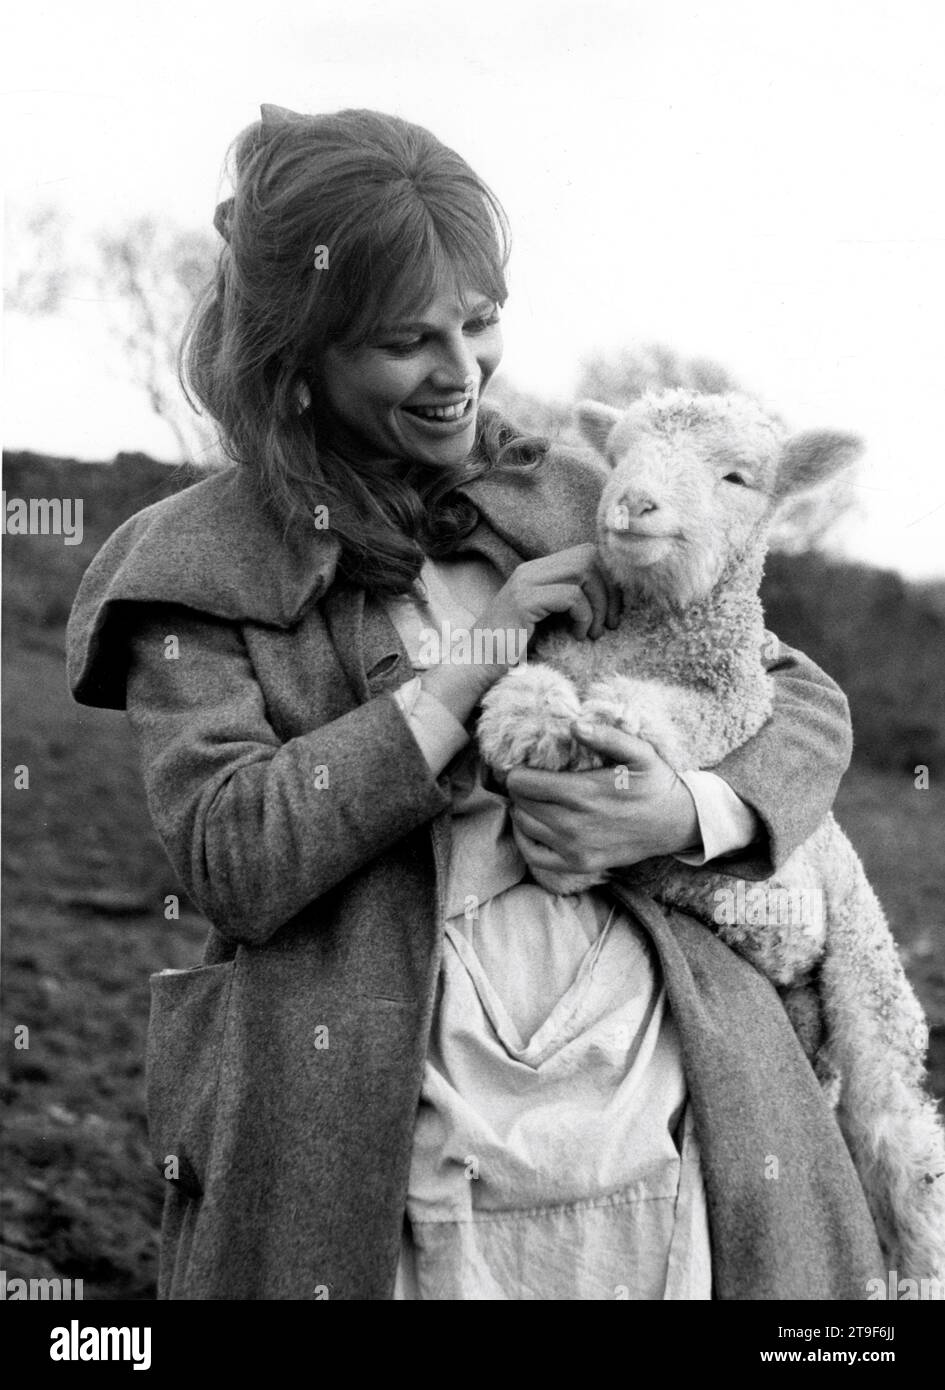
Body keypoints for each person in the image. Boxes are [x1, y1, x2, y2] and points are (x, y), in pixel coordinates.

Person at [66, 103, 883, 1300]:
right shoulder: (192, 569)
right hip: (380, 1155)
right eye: (407, 342)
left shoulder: (570, 494)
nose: (461, 374)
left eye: (482, 322)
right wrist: (481, 654)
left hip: (664, 1119)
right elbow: (233, 854)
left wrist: (687, 813)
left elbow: (795, 696)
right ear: (298, 351)